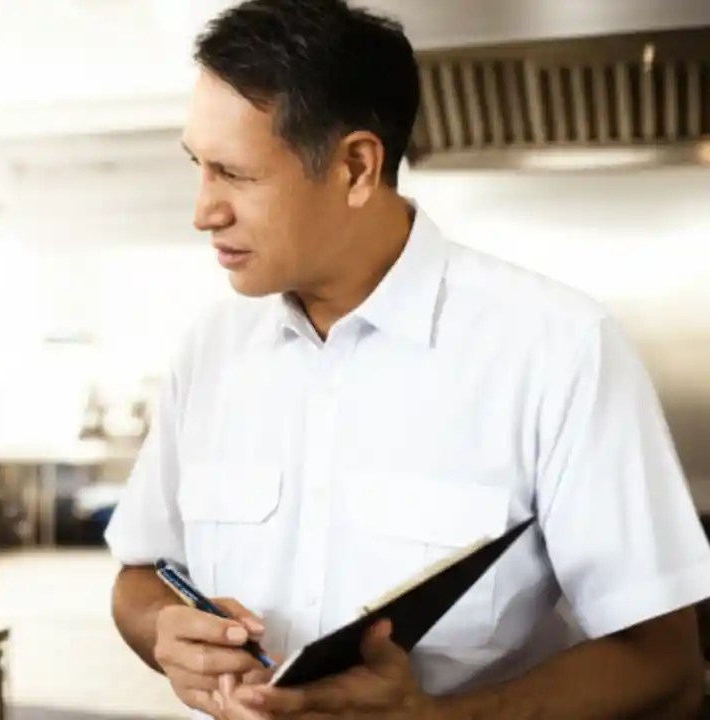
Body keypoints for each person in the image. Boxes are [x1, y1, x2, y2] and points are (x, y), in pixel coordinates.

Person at [105, 1, 710, 718]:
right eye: (197, 167)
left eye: (235, 174)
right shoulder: (209, 350)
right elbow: (139, 577)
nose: (203, 211)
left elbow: (666, 663)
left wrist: (437, 719)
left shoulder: (558, 347)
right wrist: (163, 633)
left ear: (357, 166)